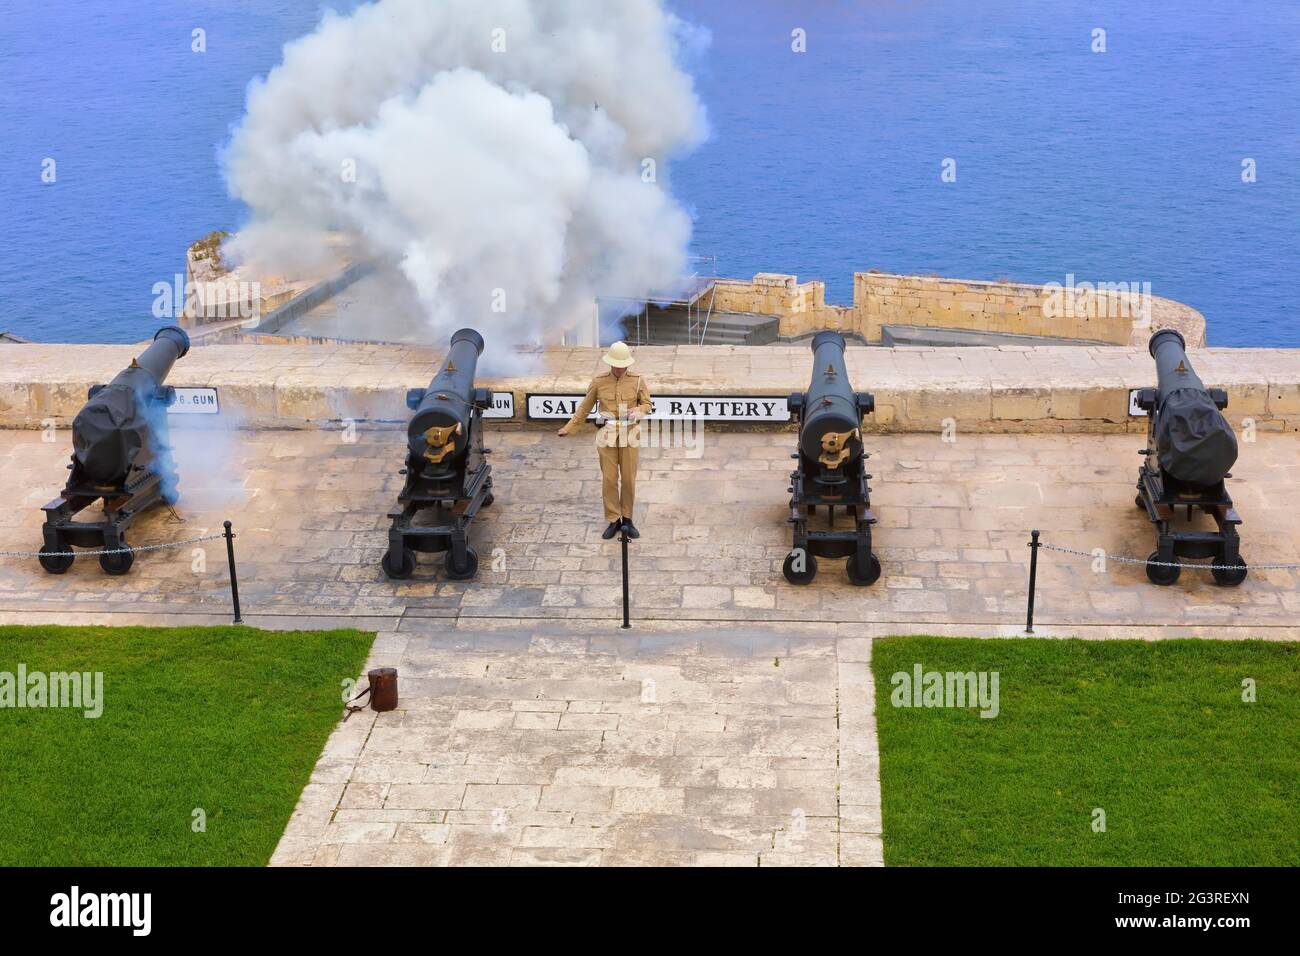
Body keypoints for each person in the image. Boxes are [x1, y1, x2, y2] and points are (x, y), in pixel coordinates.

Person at [557, 341, 652, 539]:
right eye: (616, 365)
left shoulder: (638, 380)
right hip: (607, 434)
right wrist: (570, 427)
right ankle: (613, 519)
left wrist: (639, 410)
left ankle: (627, 518)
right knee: (609, 479)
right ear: (610, 364)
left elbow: (647, 404)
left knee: (628, 479)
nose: (619, 369)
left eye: (622, 365)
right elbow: (585, 407)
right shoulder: (599, 381)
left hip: (630, 435)